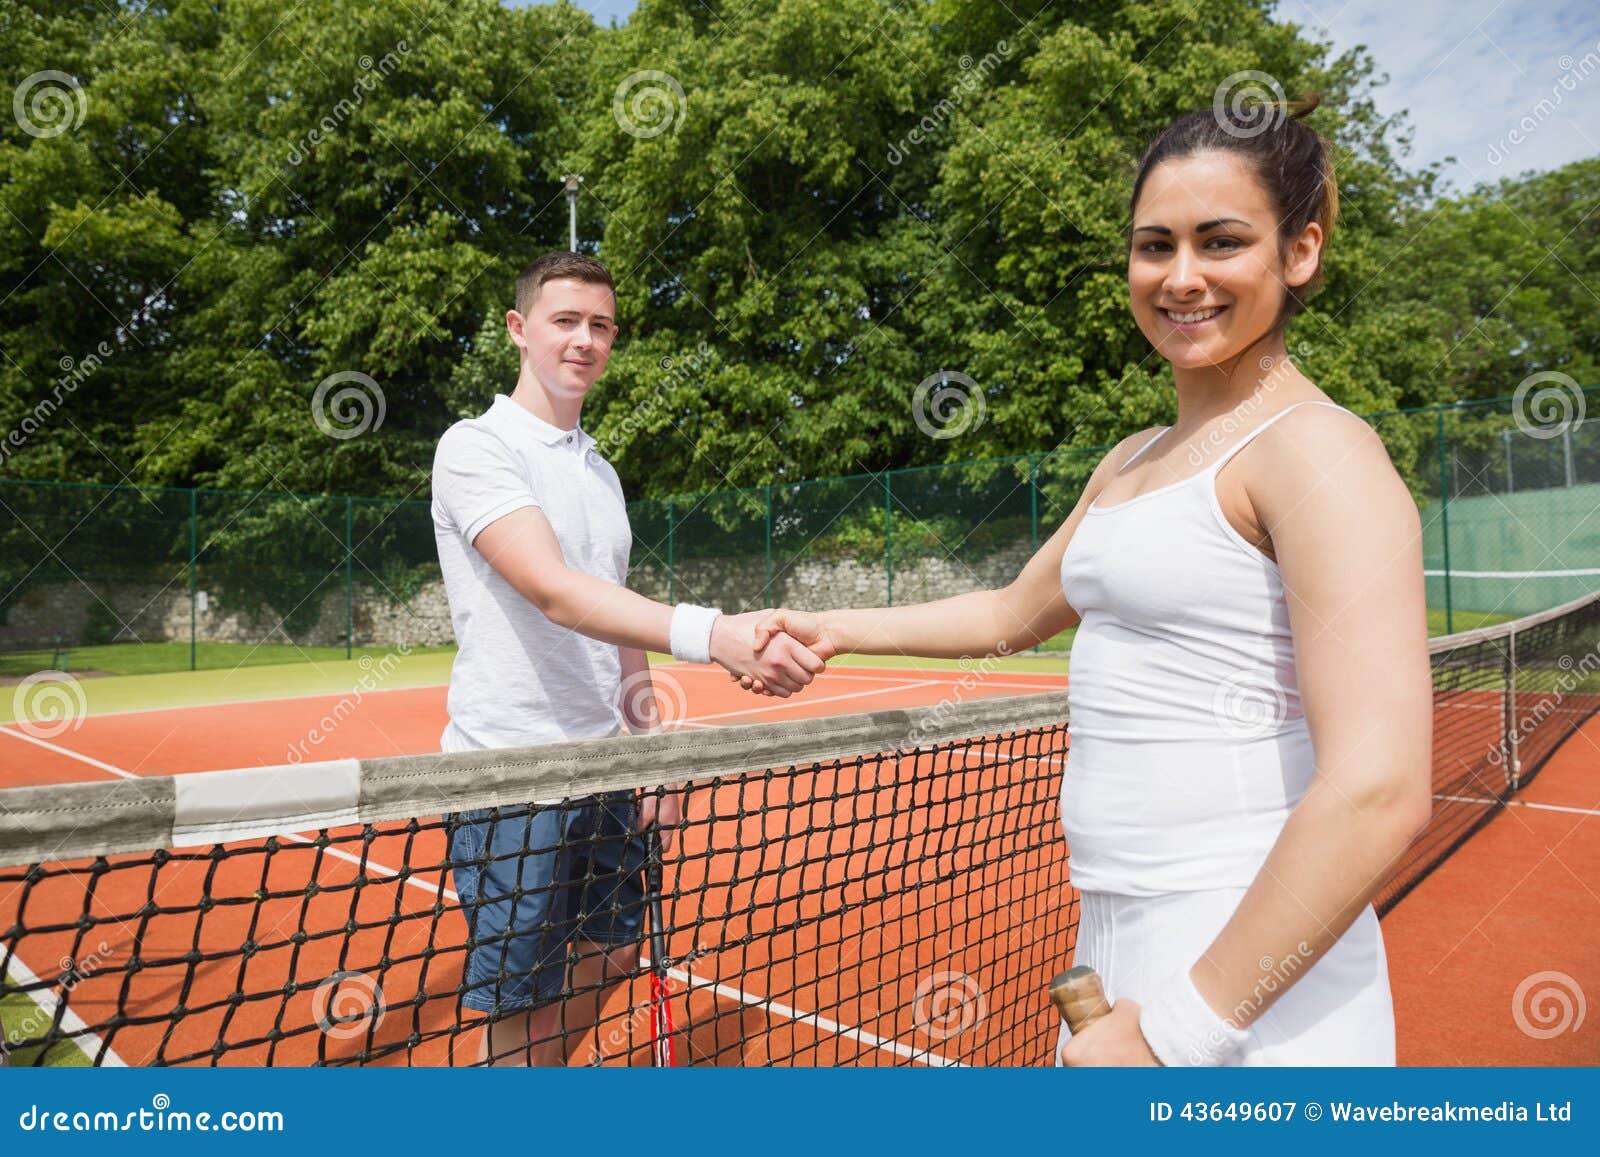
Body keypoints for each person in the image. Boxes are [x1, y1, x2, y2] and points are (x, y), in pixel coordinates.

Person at [741, 97, 1433, 1066]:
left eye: (1220, 241)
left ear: (1300, 251)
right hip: (1116, 941)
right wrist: (833, 624)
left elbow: (1377, 786)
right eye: (1154, 246)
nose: (1180, 276)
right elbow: (1011, 610)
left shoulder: (1321, 451)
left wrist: (1180, 1032)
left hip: (1249, 970)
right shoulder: (1132, 459)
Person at [430, 251, 825, 1065]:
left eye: (600, 325)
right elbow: (556, 591)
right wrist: (717, 634)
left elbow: (615, 620)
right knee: (520, 991)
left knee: (610, 951)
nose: (584, 339)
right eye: (565, 320)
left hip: (607, 771)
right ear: (519, 329)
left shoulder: (601, 471)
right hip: (512, 774)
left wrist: (653, 753)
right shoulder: (476, 448)